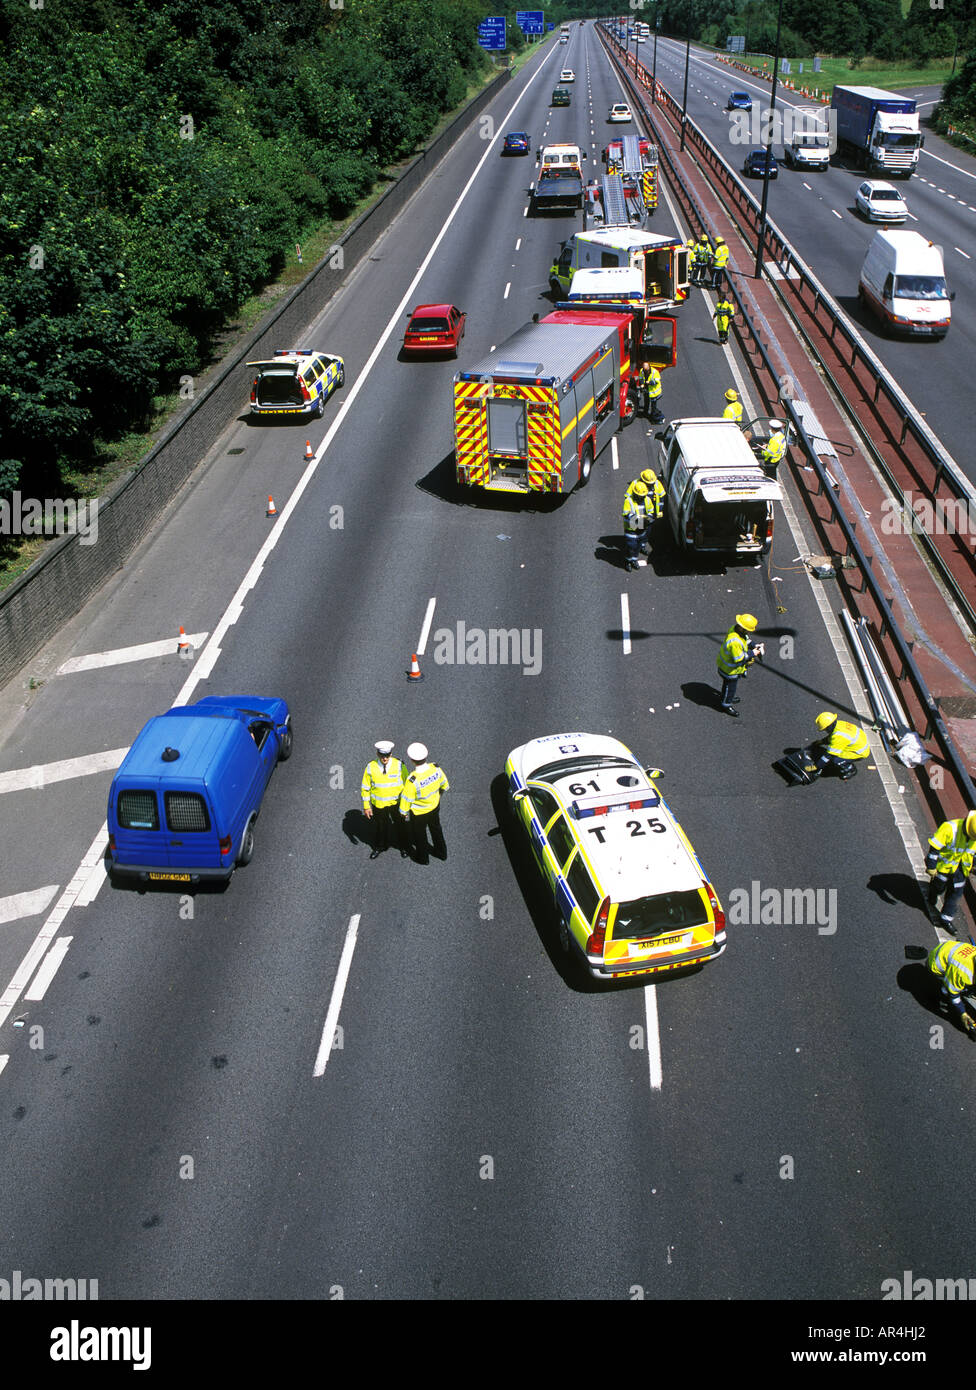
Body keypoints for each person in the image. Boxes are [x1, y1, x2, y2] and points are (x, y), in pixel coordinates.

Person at [400, 742, 450, 864]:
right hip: (434, 807)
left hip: (419, 813)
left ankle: (423, 858)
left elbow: (406, 799)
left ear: (412, 760)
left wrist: (403, 813)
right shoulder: (436, 769)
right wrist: (437, 797)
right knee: (436, 830)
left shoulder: (412, 780)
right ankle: (442, 853)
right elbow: (445, 785)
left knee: (420, 835)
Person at [926, 812, 976, 930]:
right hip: (943, 867)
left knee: (955, 895)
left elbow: (973, 855)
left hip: (960, 870)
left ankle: (945, 919)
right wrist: (931, 867)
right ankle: (933, 892)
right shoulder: (949, 828)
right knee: (939, 886)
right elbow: (934, 850)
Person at [361, 740, 406, 858]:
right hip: (379, 804)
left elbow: (408, 786)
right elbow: (365, 788)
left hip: (396, 803)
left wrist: (406, 806)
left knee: (400, 825)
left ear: (391, 754)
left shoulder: (399, 765)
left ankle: (403, 846)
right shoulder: (370, 767)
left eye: (387, 755)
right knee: (381, 826)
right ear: (377, 754)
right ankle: (380, 846)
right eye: (382, 755)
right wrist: (366, 806)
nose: (384, 758)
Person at [716, 612, 763, 717]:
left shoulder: (735, 629)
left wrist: (755, 645)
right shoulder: (735, 642)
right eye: (748, 630)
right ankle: (726, 705)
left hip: (728, 669)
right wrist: (753, 653)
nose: (749, 632)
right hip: (729, 671)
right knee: (730, 688)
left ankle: (726, 697)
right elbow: (739, 658)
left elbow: (746, 640)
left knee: (727, 687)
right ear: (743, 628)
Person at [927, 938, 976, 1037]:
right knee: (948, 991)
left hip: (948, 950)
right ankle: (941, 993)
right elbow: (954, 995)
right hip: (935, 964)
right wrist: (963, 1013)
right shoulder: (963, 972)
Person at [811, 712, 870, 780]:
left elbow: (829, 755)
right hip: (859, 744)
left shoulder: (839, 737)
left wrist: (817, 766)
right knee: (835, 753)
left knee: (836, 760)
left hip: (859, 752)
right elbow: (832, 737)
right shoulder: (839, 724)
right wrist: (821, 742)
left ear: (829, 726)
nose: (825, 731)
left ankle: (850, 769)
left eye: (825, 729)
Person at [623, 481, 648, 571]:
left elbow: (650, 510)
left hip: (642, 527)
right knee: (631, 546)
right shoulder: (628, 501)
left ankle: (634, 560)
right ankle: (628, 561)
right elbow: (626, 513)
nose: (642, 498)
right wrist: (636, 518)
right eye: (641, 496)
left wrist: (650, 518)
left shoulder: (647, 500)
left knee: (638, 546)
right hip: (631, 528)